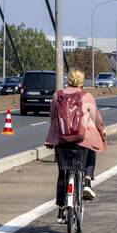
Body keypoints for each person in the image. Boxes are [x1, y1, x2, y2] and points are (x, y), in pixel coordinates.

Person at [45, 67, 107, 218]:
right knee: (92, 147)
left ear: (69, 79)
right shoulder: (87, 96)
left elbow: (52, 116)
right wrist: (102, 130)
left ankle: (61, 208)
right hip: (81, 140)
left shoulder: (57, 96)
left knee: (62, 172)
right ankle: (87, 182)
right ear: (81, 80)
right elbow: (96, 118)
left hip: (62, 140)